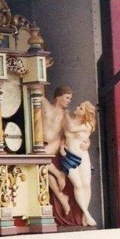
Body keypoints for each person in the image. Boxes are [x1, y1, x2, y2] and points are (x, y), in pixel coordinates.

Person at [61, 100, 97, 226]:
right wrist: (61, 145)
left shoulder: (87, 124)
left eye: (81, 108)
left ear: (85, 113)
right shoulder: (68, 120)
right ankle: (87, 214)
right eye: (79, 106)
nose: (77, 108)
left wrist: (66, 114)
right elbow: (63, 135)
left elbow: (72, 128)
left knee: (86, 184)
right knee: (78, 185)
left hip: (82, 156)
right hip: (69, 156)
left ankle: (84, 215)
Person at [41, 86, 73, 214]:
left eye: (70, 98)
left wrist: (62, 144)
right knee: (44, 171)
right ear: (58, 97)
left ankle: (59, 175)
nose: (69, 100)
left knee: (40, 158)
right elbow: (37, 91)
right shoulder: (46, 105)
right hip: (41, 143)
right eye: (67, 97)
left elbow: (68, 132)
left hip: (54, 142)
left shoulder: (65, 115)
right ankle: (62, 197)